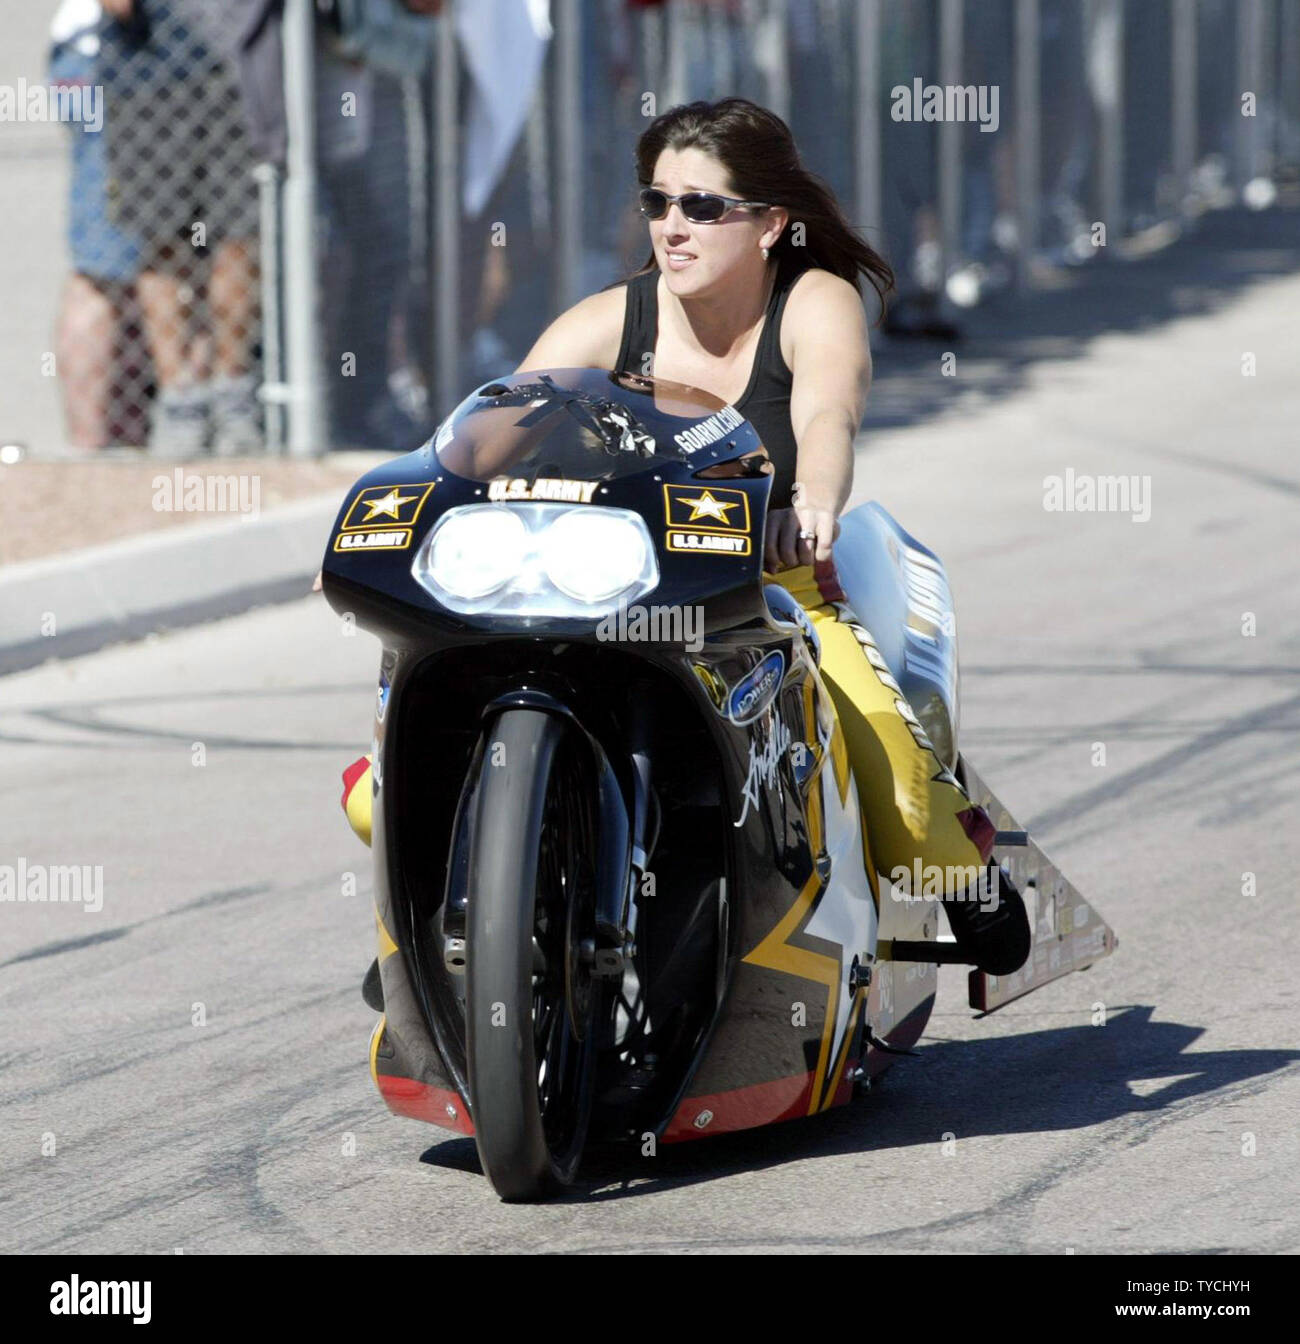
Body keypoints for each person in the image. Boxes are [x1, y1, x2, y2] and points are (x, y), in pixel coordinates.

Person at [340, 97, 1028, 974]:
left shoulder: (814, 303)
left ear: (772, 222)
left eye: (703, 207)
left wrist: (810, 502)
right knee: (377, 799)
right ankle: (467, 921)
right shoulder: (606, 321)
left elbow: (828, 415)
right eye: (658, 203)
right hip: (605, 598)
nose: (674, 226)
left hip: (771, 594)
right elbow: (482, 437)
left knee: (907, 823)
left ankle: (973, 868)